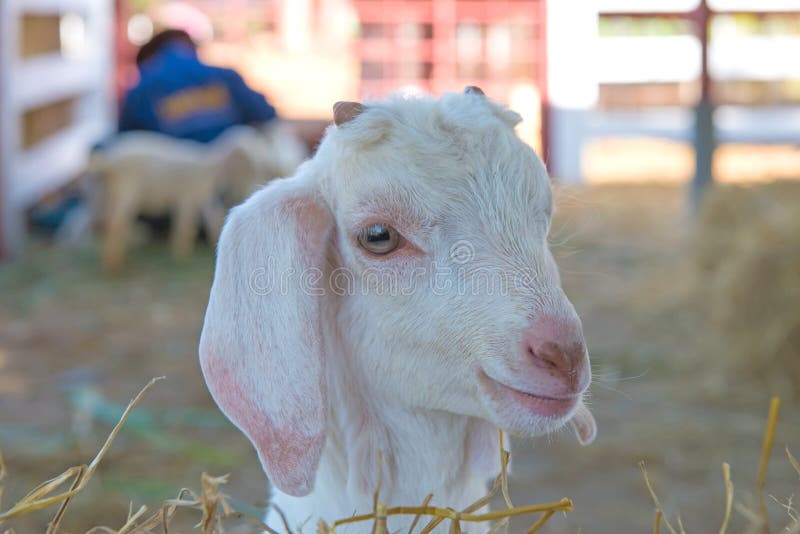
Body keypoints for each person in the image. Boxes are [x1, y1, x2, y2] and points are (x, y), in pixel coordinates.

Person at [119, 29, 277, 142]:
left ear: (148, 60)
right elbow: (268, 116)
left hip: (173, 182)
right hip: (230, 177)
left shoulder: (140, 91)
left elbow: (125, 142)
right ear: (191, 48)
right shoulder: (225, 76)